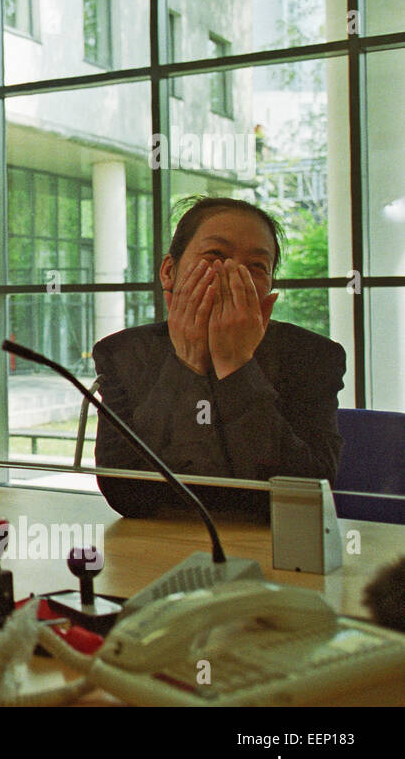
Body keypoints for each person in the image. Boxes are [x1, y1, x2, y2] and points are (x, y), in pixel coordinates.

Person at [92, 196, 345, 518]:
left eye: (256, 266)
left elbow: (306, 493)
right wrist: (185, 367)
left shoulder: (310, 356)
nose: (233, 273)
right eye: (215, 255)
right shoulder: (124, 355)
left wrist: (236, 367)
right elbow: (126, 492)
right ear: (169, 271)